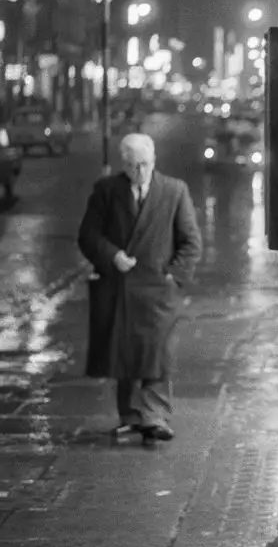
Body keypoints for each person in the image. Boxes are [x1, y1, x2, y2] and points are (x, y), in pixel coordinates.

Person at [77, 132, 202, 442]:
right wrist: (112, 256)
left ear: (154, 160)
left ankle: (154, 416)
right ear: (124, 164)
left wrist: (174, 275)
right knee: (125, 354)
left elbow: (190, 241)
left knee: (156, 353)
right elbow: (88, 236)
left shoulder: (174, 191)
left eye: (145, 164)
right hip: (120, 289)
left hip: (158, 290)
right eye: (133, 166)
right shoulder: (106, 191)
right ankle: (131, 415)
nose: (140, 172)